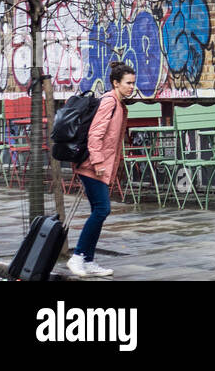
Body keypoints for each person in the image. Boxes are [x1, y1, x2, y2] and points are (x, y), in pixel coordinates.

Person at [68, 61, 136, 278]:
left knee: (99, 210)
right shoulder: (109, 102)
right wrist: (98, 164)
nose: (131, 87)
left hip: (100, 167)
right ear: (115, 83)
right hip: (92, 166)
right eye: (127, 83)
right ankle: (77, 257)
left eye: (133, 83)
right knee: (102, 210)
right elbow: (95, 135)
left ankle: (87, 260)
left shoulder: (118, 103)